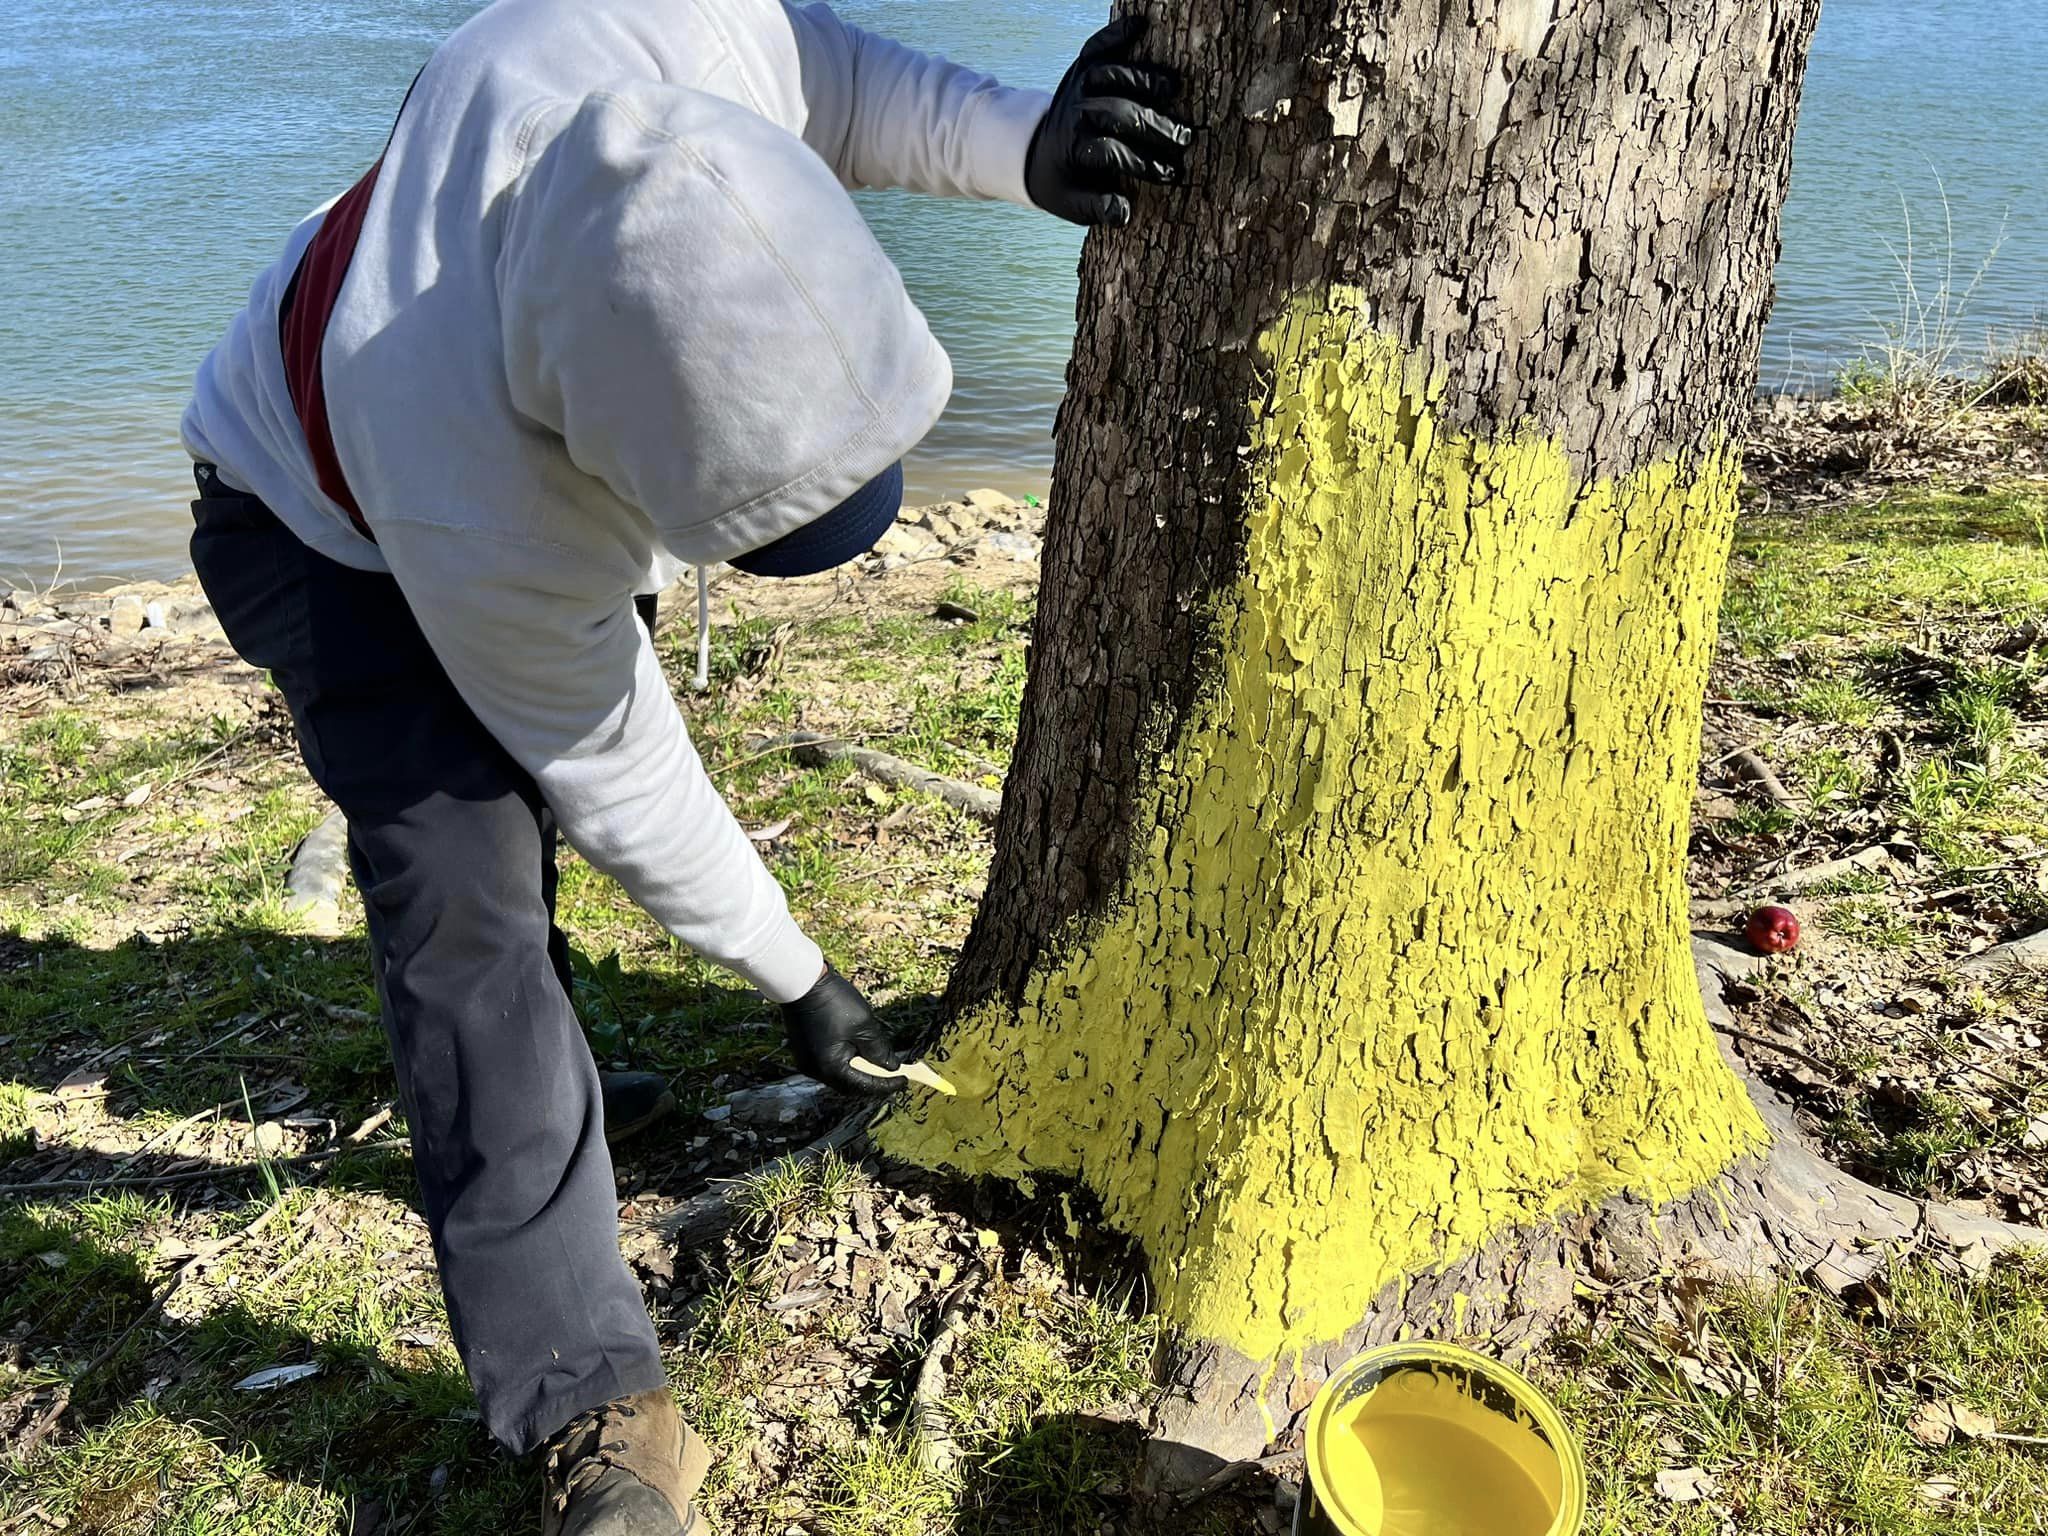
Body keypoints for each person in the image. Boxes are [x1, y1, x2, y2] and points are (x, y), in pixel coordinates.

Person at [179, 1, 1188, 1530]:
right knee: (470, 904)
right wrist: (796, 974)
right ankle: (584, 1401)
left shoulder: (678, 34)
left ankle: (553, 1101)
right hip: (315, 517)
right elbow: (612, 763)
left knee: (513, 874)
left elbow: (836, 75)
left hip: (522, 403)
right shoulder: (467, 486)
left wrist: (1021, 142)